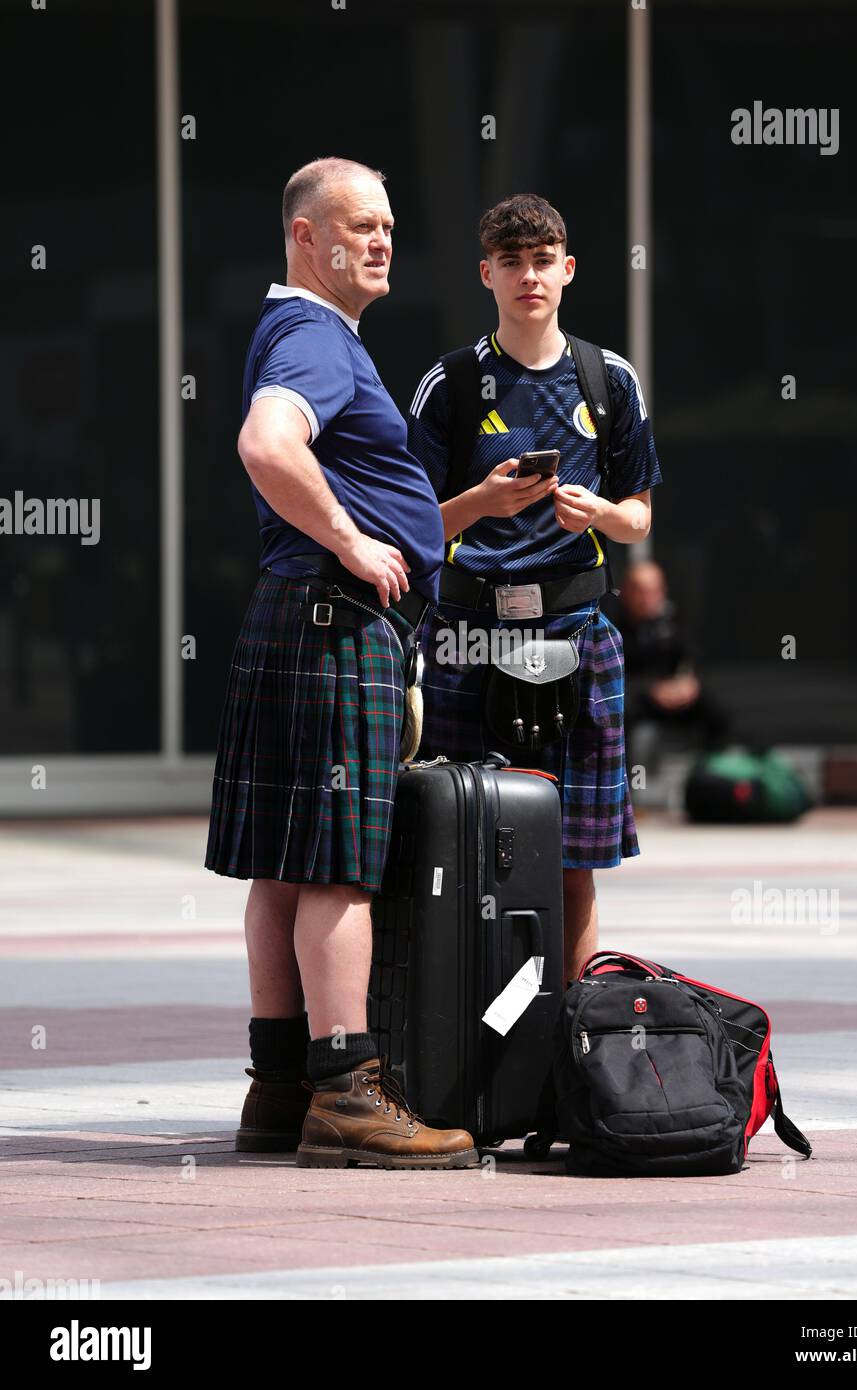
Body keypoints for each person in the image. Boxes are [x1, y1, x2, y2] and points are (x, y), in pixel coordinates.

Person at [205, 156, 478, 1170]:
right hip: (333, 621)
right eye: (358, 224)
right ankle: (347, 1093)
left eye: (389, 225)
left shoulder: (299, 331)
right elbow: (267, 444)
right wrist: (353, 541)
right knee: (336, 867)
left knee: (283, 863)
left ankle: (278, 1089)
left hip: (296, 617)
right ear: (304, 238)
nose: (380, 240)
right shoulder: (315, 337)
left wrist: (439, 519)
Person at [407, 193, 661, 986]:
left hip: (576, 629)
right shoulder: (448, 384)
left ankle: (572, 1043)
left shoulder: (608, 378)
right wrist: (482, 502)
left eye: (542, 260)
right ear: (487, 273)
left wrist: (597, 510)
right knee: (452, 848)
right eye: (511, 262)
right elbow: (410, 530)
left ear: (569, 269)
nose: (529, 276)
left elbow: (638, 523)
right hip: (465, 636)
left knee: (576, 857)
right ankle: (452, 1045)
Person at [616, 560, 730, 753]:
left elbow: (693, 659)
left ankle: (712, 771)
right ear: (627, 593)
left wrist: (689, 683)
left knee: (717, 706)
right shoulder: (613, 629)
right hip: (638, 700)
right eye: (641, 591)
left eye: (654, 591)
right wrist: (651, 690)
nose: (648, 599)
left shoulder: (673, 622)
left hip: (675, 699)